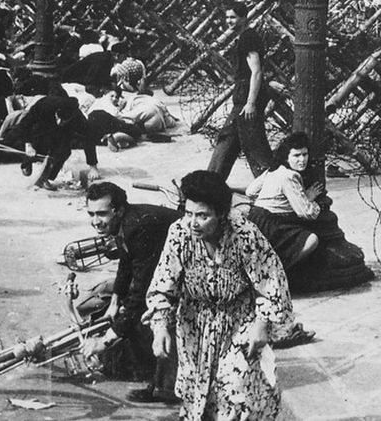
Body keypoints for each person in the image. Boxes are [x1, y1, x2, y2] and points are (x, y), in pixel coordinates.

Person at [146, 170, 294, 421]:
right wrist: (160, 327)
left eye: (203, 216)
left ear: (222, 215)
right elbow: (163, 285)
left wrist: (261, 324)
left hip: (238, 321)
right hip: (194, 326)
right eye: (189, 213)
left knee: (238, 389)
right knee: (198, 395)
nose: (193, 222)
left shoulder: (244, 234)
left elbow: (272, 283)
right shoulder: (179, 234)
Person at [84, 181, 180, 405]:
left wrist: (106, 340)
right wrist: (115, 303)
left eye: (101, 214)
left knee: (159, 311)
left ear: (118, 210)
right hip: (172, 265)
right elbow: (126, 264)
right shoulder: (124, 223)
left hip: (195, 267)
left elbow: (142, 292)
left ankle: (165, 387)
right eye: (91, 214)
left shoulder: (138, 227)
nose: (95, 221)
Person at [207, 3, 274, 181]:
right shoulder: (243, 37)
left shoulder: (248, 38)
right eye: (227, 17)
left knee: (254, 143)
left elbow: (257, 71)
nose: (229, 21)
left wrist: (251, 103)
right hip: (243, 93)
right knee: (229, 138)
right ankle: (211, 182)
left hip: (247, 96)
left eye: (233, 17)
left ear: (244, 18)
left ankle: (273, 183)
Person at [245, 133, 324, 271]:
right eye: (296, 155)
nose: (302, 160)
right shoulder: (289, 176)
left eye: (305, 154)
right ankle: (279, 270)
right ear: (287, 158)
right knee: (312, 239)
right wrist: (309, 197)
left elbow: (250, 191)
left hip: (255, 218)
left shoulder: (274, 170)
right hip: (270, 224)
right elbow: (307, 213)